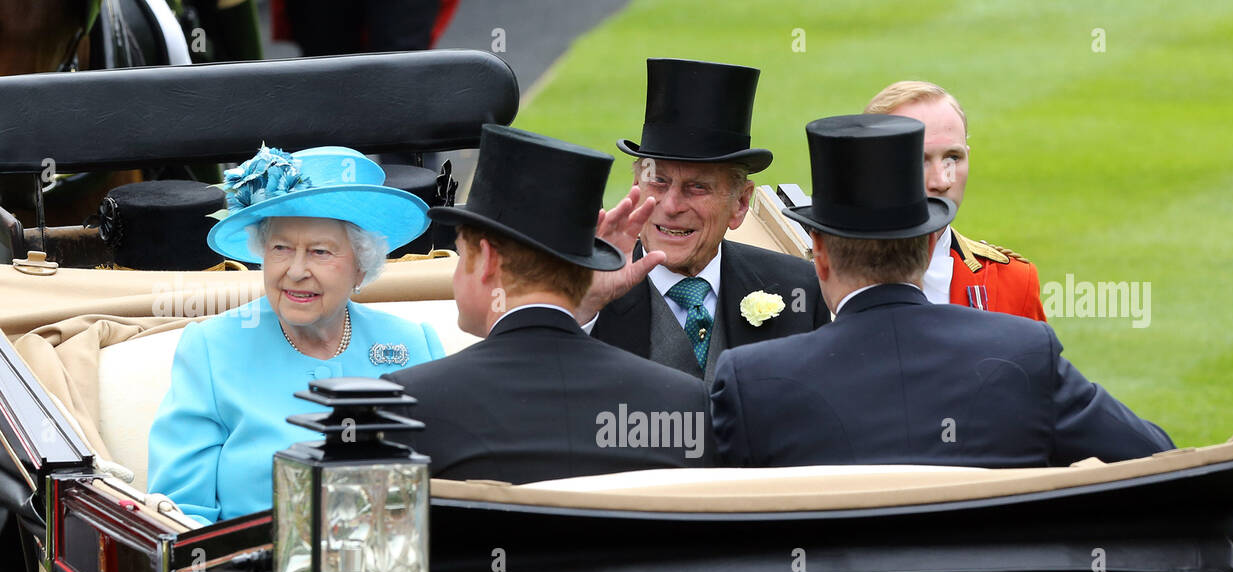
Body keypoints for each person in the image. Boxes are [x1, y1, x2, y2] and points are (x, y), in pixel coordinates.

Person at [710, 115, 1173, 469]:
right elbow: (1162, 463)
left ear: (821, 256)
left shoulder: (754, 382)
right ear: (929, 245)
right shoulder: (1025, 355)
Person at [385, 124, 715, 481]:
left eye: (460, 255)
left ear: (488, 260)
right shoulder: (684, 404)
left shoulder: (408, 405)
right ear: (587, 268)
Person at [148, 145, 444, 524]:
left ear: (360, 266)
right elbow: (180, 515)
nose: (297, 270)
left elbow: (445, 487)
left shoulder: (413, 344)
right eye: (281, 248)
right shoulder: (211, 349)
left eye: (320, 251)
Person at [582, 58, 831, 384]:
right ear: (635, 189)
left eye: (697, 187)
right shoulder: (589, 294)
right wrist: (584, 306)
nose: (671, 206)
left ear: (740, 203)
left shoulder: (799, 289)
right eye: (658, 182)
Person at [866, 81, 1045, 320]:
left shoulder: (1012, 283)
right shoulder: (818, 280)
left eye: (953, 157)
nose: (941, 181)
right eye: (918, 160)